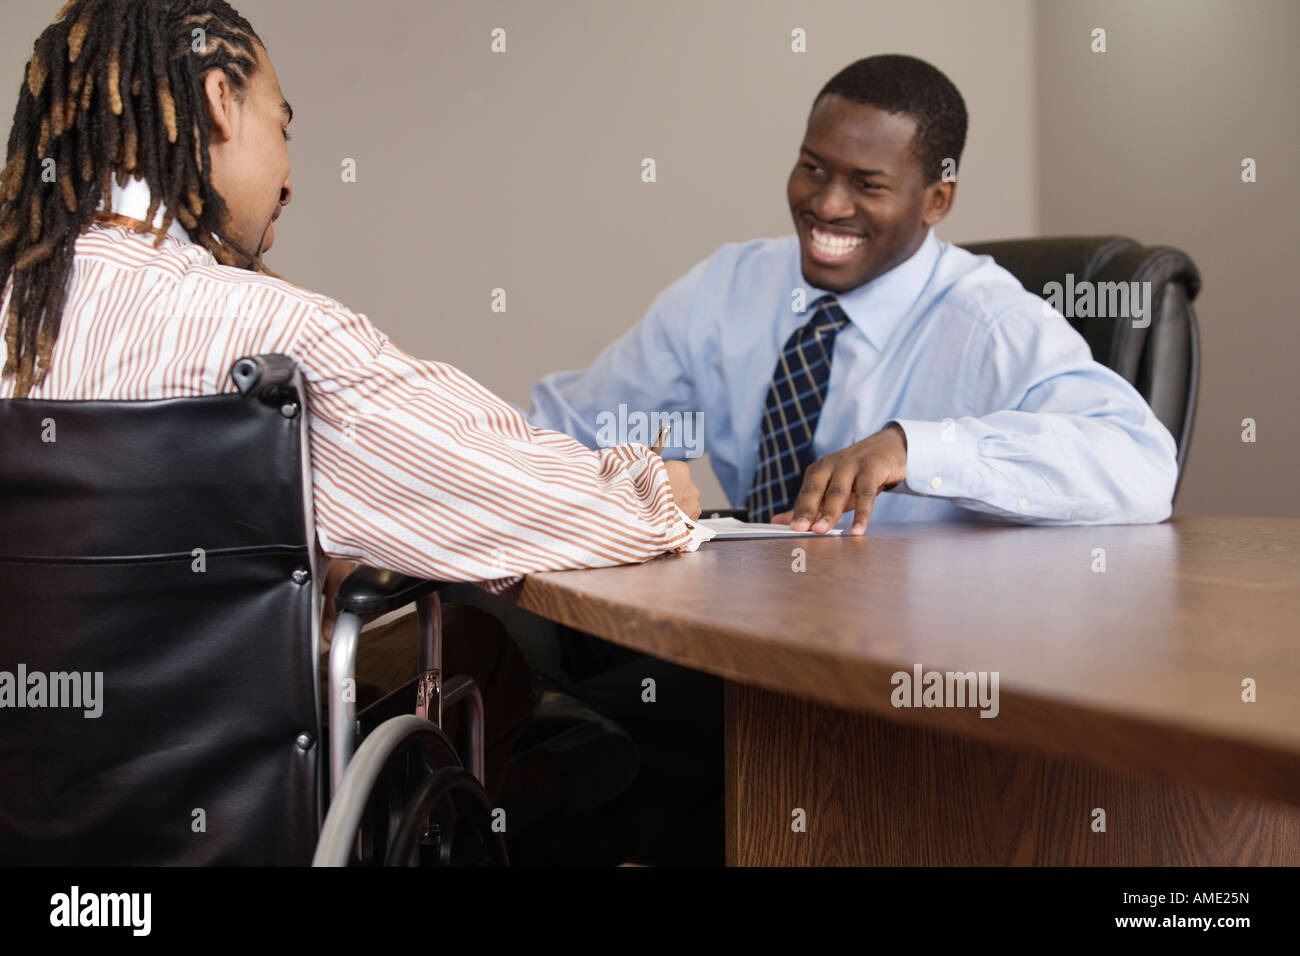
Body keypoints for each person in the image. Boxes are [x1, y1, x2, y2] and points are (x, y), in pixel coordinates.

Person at [0, 0, 707, 813]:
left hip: (32, 810)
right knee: (480, 649)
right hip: (237, 815)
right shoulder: (275, 335)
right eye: (282, 127)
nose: (289, 180)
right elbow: (530, 502)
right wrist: (647, 491)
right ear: (222, 102)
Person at [523, 54, 1180, 861]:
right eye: (813, 168)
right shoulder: (730, 288)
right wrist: (616, 475)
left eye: (867, 184)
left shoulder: (990, 322)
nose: (827, 205)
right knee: (501, 646)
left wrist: (917, 445)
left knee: (582, 755)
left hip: (903, 678)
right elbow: (567, 423)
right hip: (745, 633)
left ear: (936, 200)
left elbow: (1140, 460)